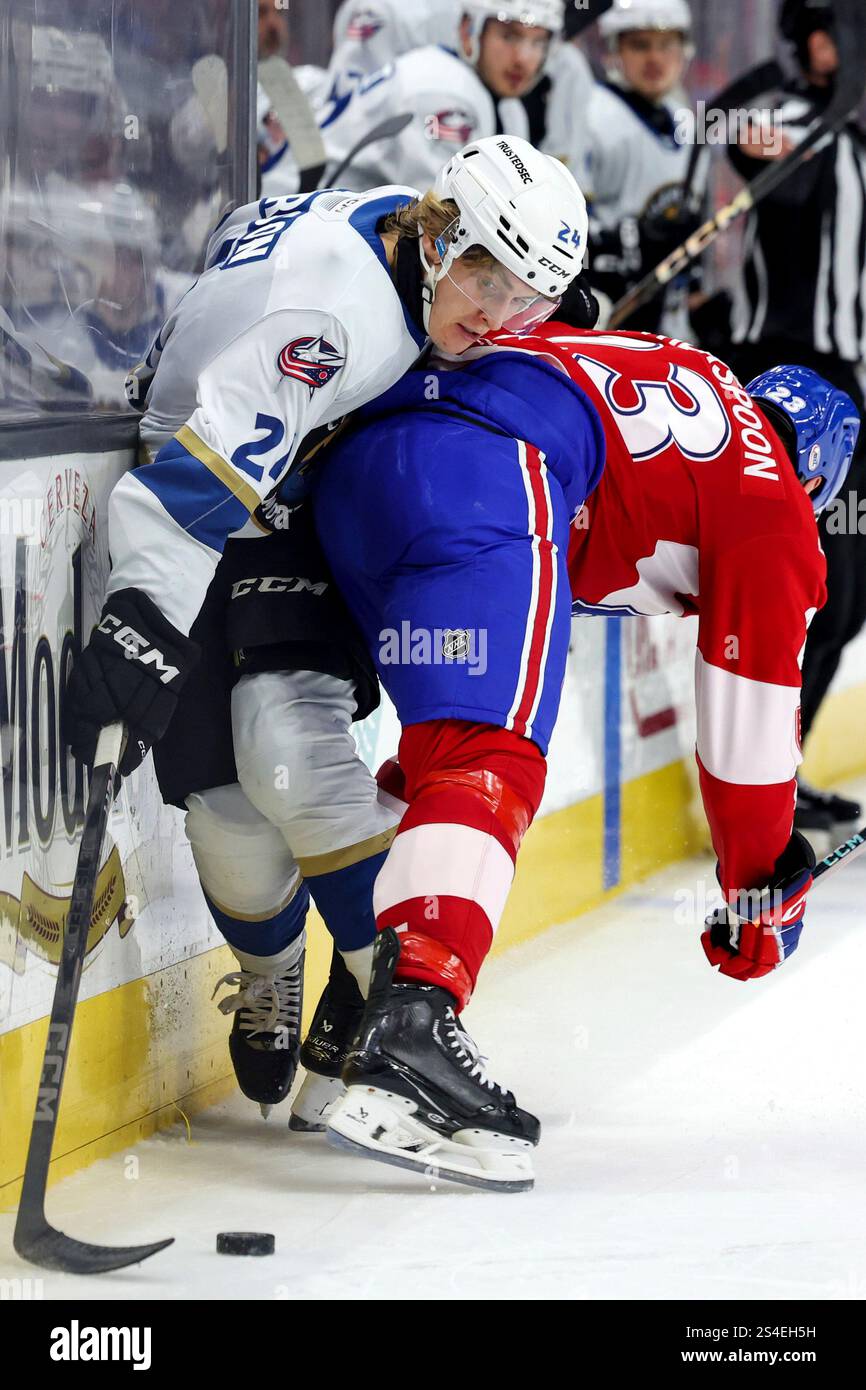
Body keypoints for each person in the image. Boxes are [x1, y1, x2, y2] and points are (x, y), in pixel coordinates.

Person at [63, 138, 591, 1125]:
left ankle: (406, 1017)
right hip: (204, 499)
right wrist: (139, 619)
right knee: (224, 819)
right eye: (486, 279)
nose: (496, 320)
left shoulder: (398, 221)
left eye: (526, 299)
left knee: (290, 756)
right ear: (441, 236)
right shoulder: (337, 322)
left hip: (292, 504)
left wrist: (505, 300)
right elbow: (191, 486)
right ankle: (272, 975)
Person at [303, 325, 857, 1189]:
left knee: (439, 758)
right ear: (818, 477)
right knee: (492, 761)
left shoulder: (691, 368)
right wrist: (760, 880)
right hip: (484, 475)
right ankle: (414, 1021)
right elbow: (747, 735)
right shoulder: (777, 508)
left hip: (359, 466)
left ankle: (358, 1004)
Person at [725, 0, 866, 833]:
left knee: (849, 601)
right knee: (813, 590)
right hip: (789, 387)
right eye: (826, 31)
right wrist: (804, 77)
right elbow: (726, 120)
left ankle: (783, 763)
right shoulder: (793, 120)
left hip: (849, 386)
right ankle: (761, 780)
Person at [316, 1, 564, 192]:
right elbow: (438, 218)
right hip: (317, 219)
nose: (522, 58)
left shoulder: (510, 109)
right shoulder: (441, 91)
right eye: (508, 36)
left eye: (538, 43)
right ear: (469, 29)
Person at [561, 0, 703, 336]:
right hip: (605, 310)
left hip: (668, 318)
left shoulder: (685, 120)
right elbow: (568, 222)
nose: (655, 58)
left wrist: (695, 289)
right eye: (640, 45)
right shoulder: (591, 116)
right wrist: (626, 242)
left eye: (667, 44)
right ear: (615, 48)